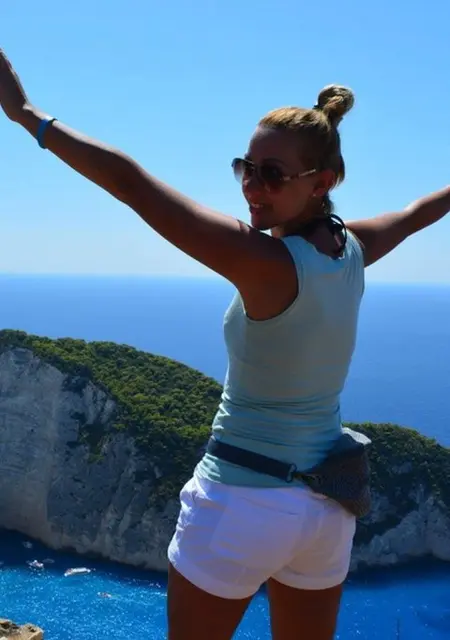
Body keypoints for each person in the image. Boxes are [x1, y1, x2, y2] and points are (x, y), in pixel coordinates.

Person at [0, 48, 449, 640]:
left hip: (240, 504)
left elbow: (133, 185)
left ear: (323, 182)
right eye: (246, 168)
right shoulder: (354, 251)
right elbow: (417, 213)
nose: (252, 188)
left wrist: (26, 114)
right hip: (326, 512)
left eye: (273, 174)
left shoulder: (266, 262)